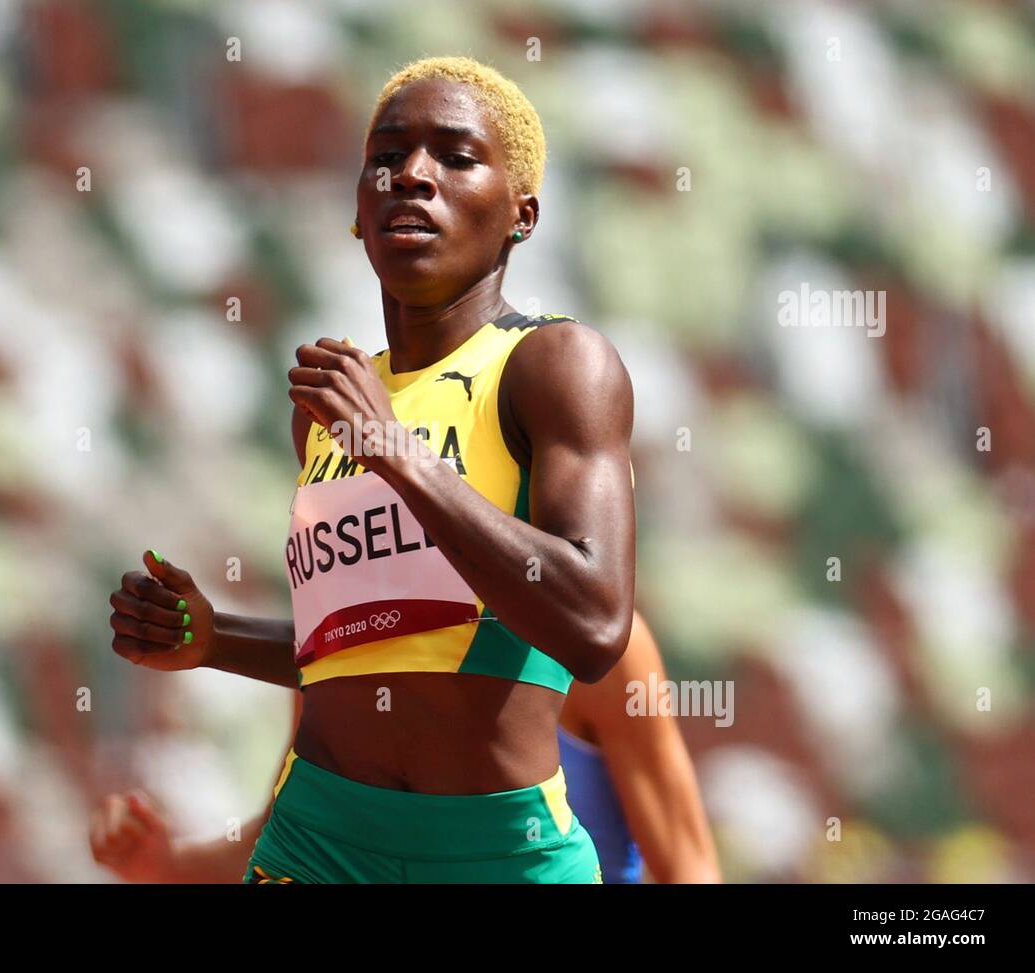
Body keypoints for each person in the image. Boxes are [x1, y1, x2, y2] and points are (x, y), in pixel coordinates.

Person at [108, 55, 636, 883]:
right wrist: (214, 638)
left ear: (521, 214)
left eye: (456, 158)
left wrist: (399, 456)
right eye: (387, 156)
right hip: (318, 839)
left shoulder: (555, 365)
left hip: (499, 850)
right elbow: (373, 648)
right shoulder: (330, 404)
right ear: (358, 209)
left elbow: (596, 625)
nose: (412, 177)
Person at [91, 612, 721, 883]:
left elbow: (687, 864)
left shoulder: (603, 646)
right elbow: (295, 843)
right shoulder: (340, 646)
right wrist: (168, 866)